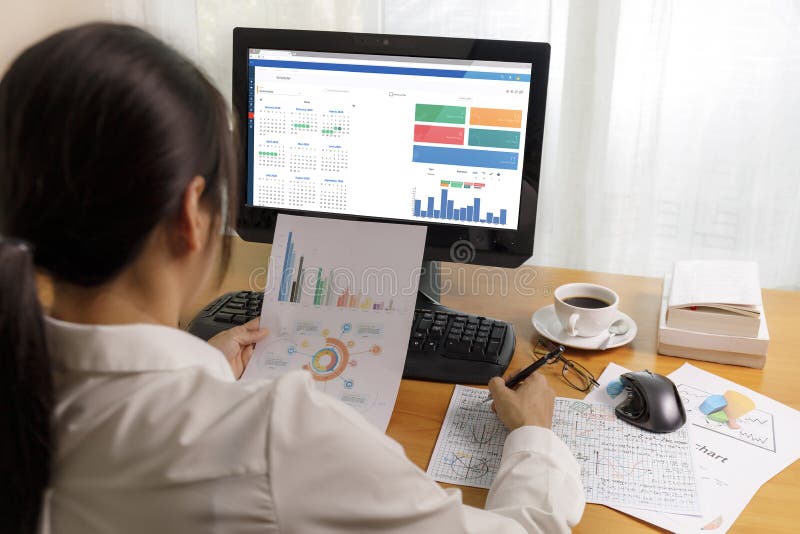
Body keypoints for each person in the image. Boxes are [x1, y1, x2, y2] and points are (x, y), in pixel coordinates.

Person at [0, 23, 585, 534]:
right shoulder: (279, 441)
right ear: (189, 215)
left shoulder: (27, 389)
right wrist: (534, 438)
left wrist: (204, 369)